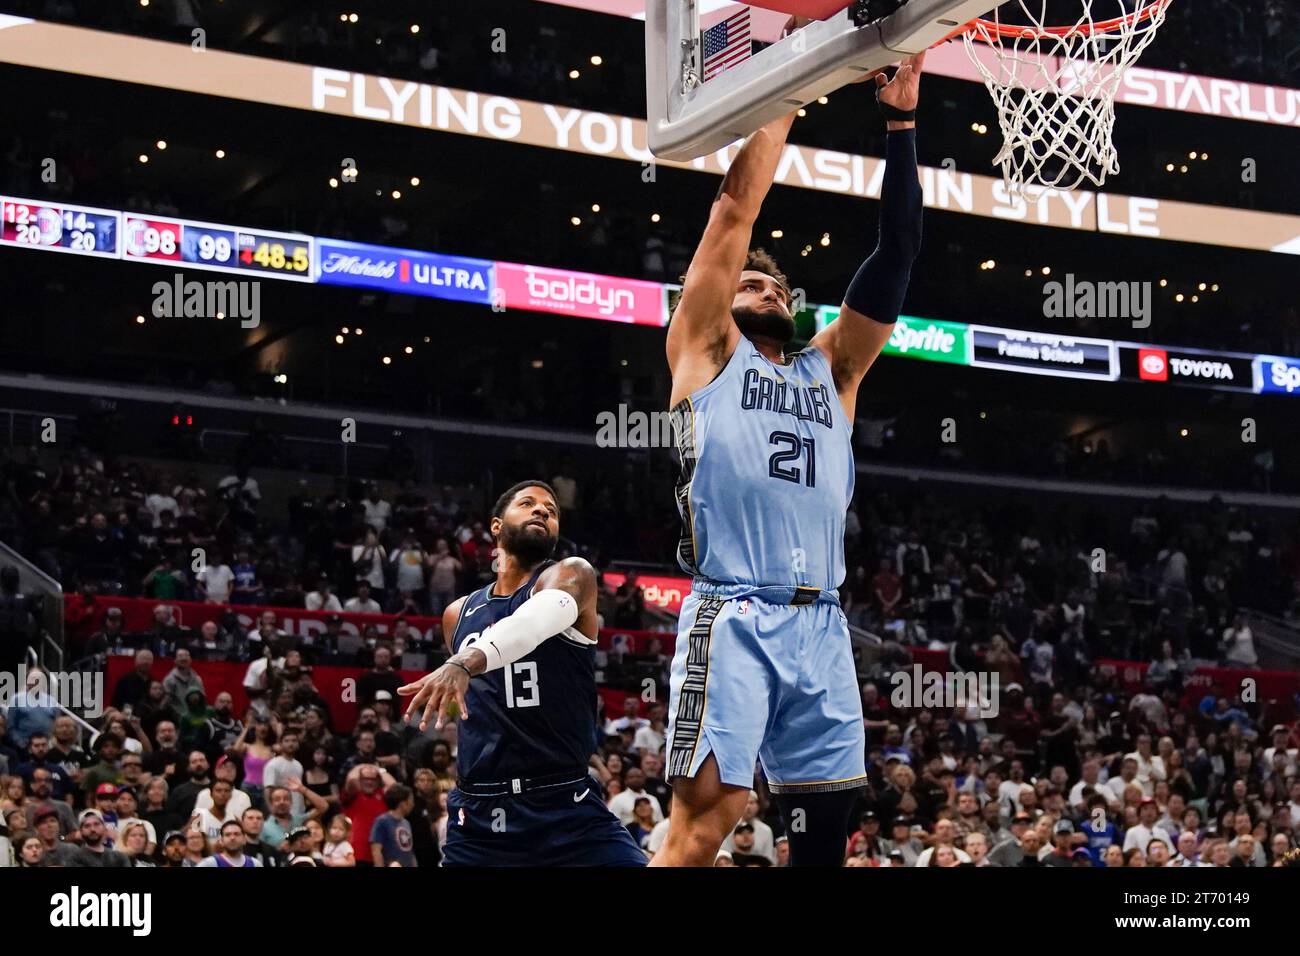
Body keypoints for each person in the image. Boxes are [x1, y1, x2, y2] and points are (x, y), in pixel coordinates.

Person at [651, 35, 925, 867]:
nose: (767, 287)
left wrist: (902, 124)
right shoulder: (704, 347)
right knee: (707, 822)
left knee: (824, 837)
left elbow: (898, 255)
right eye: (751, 283)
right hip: (731, 610)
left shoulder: (832, 367)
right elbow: (732, 214)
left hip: (822, 621)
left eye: (779, 285)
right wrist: (788, 86)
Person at [399, 481, 645, 867]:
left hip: (564, 805)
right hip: (481, 813)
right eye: (528, 504)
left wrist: (463, 661)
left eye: (551, 510)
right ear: (496, 526)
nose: (542, 511)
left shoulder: (573, 576)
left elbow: (533, 622)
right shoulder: (457, 614)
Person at [196, 819, 262, 867]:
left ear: (244, 840)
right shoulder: (209, 864)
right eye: (228, 835)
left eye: (236, 834)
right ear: (221, 841)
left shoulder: (255, 864)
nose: (232, 838)